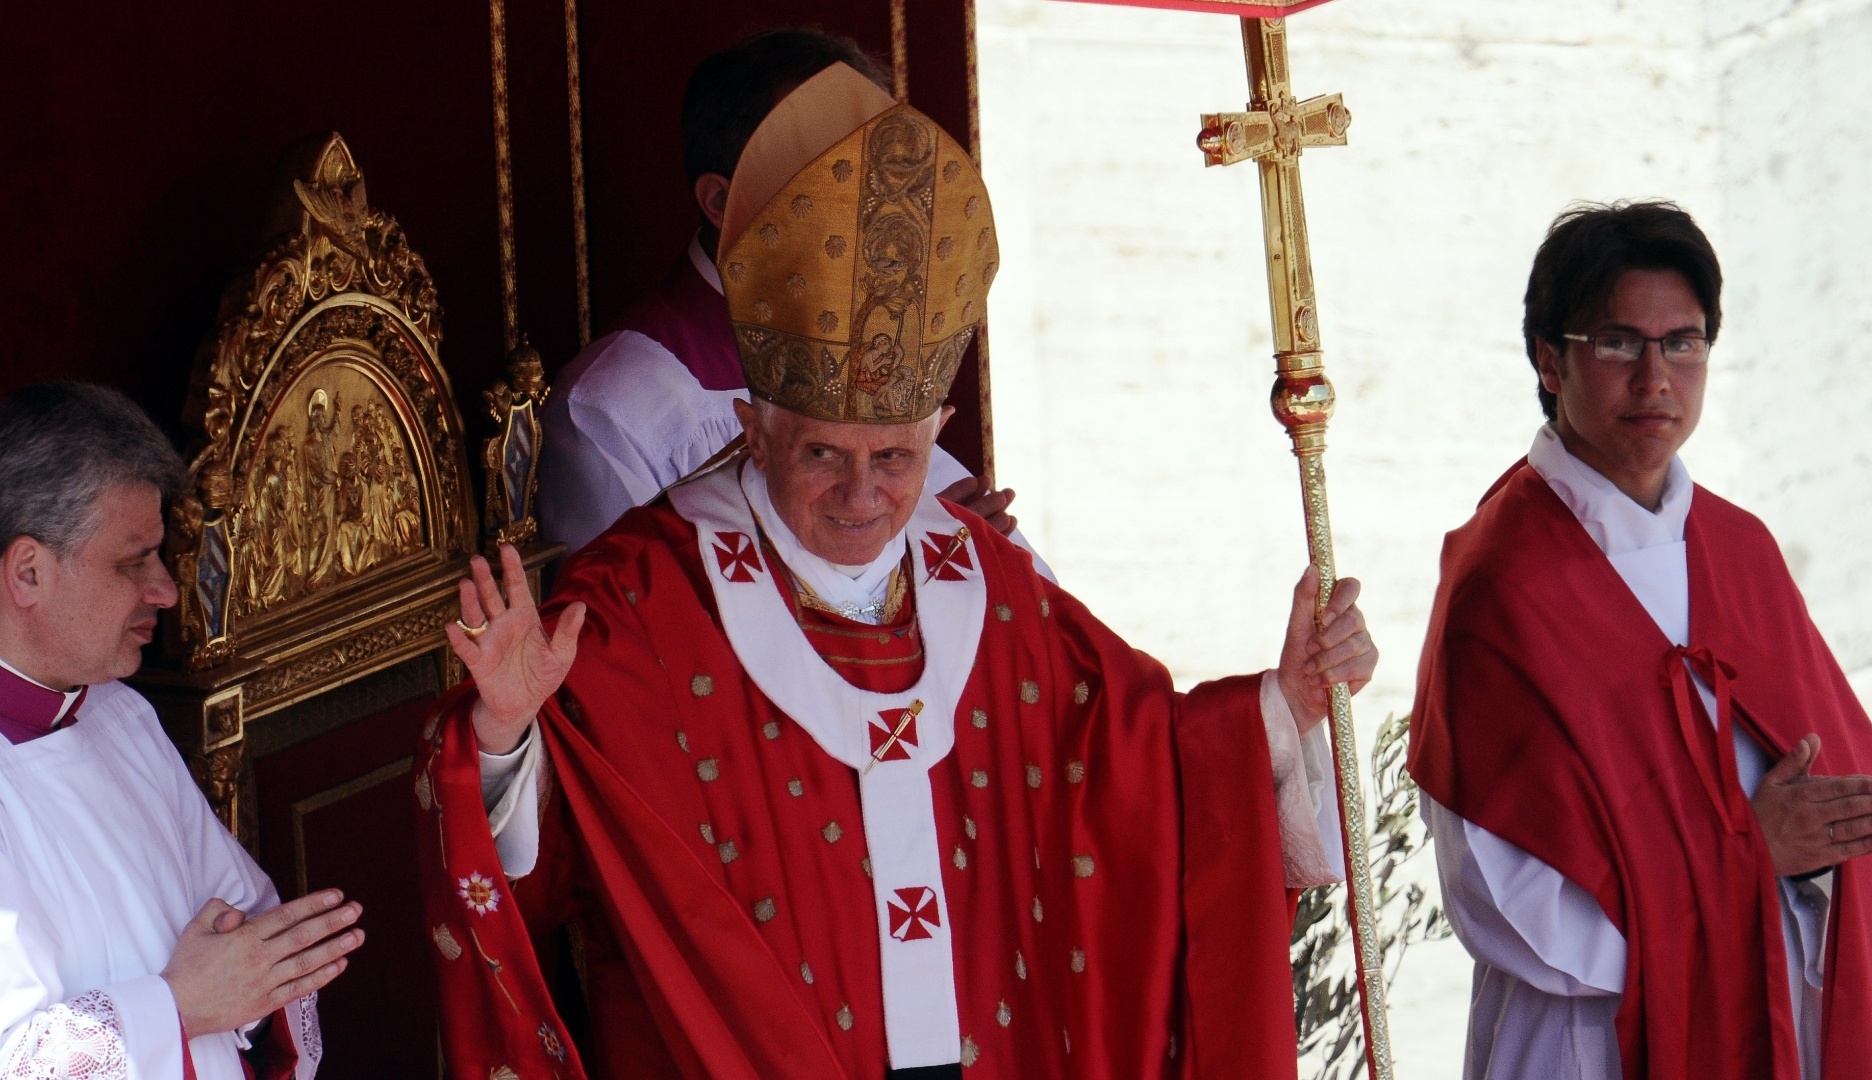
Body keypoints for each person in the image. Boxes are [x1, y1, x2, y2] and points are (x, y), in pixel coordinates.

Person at [418, 64, 1375, 1079]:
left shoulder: (989, 585)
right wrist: (505, 736)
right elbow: (539, 878)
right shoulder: (640, 605)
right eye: (822, 454)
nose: (861, 496)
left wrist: (1282, 706)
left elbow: (1138, 765)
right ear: (754, 426)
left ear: (939, 433)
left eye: (895, 460)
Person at [1409, 202, 1872, 1080]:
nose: (1656, 379)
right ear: (1549, 362)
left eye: (1683, 343)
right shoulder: (1502, 587)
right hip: (1586, 1041)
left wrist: (1803, 866)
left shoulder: (1739, 550)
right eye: (1617, 343)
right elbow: (1499, 898)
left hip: (1766, 1017)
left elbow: (1847, 814)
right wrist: (1743, 861)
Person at [537, 28, 1039, 569]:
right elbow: (614, 631)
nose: (871, 200)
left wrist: (946, 553)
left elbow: (1019, 582)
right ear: (722, 202)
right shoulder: (613, 409)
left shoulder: (880, 347)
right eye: (831, 175)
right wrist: (895, 553)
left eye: (877, 166)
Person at [0, 383, 365, 1079]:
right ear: (29, 572)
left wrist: (259, 971)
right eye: (132, 560)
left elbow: (246, 925)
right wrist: (180, 1007)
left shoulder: (120, 714)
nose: (165, 590)